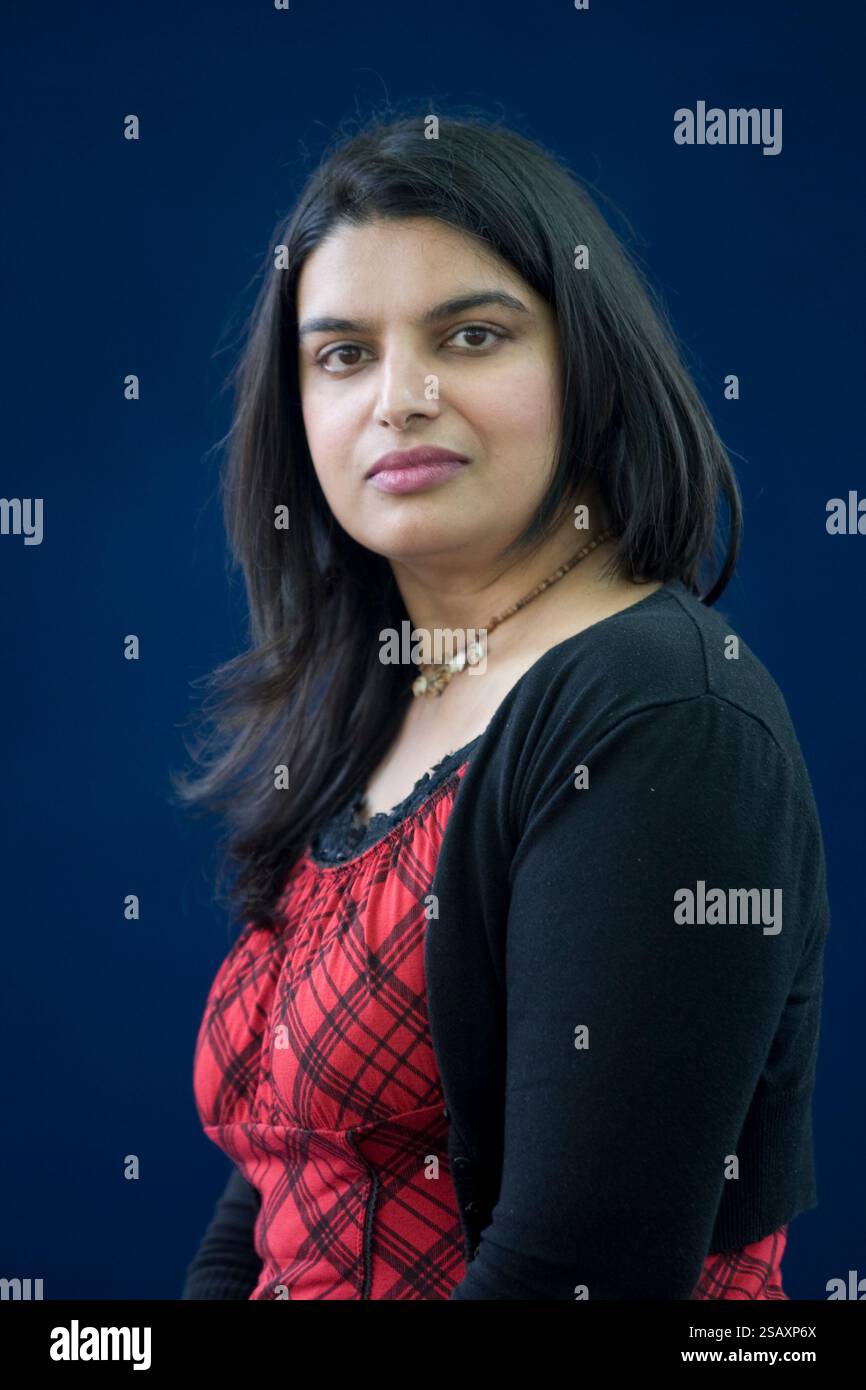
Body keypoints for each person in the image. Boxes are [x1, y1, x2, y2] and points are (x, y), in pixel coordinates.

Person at [173, 111, 829, 1300]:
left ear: (586, 365)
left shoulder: (657, 715)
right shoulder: (375, 699)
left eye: (469, 336)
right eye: (340, 355)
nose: (400, 397)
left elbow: (575, 1274)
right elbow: (279, 1186)